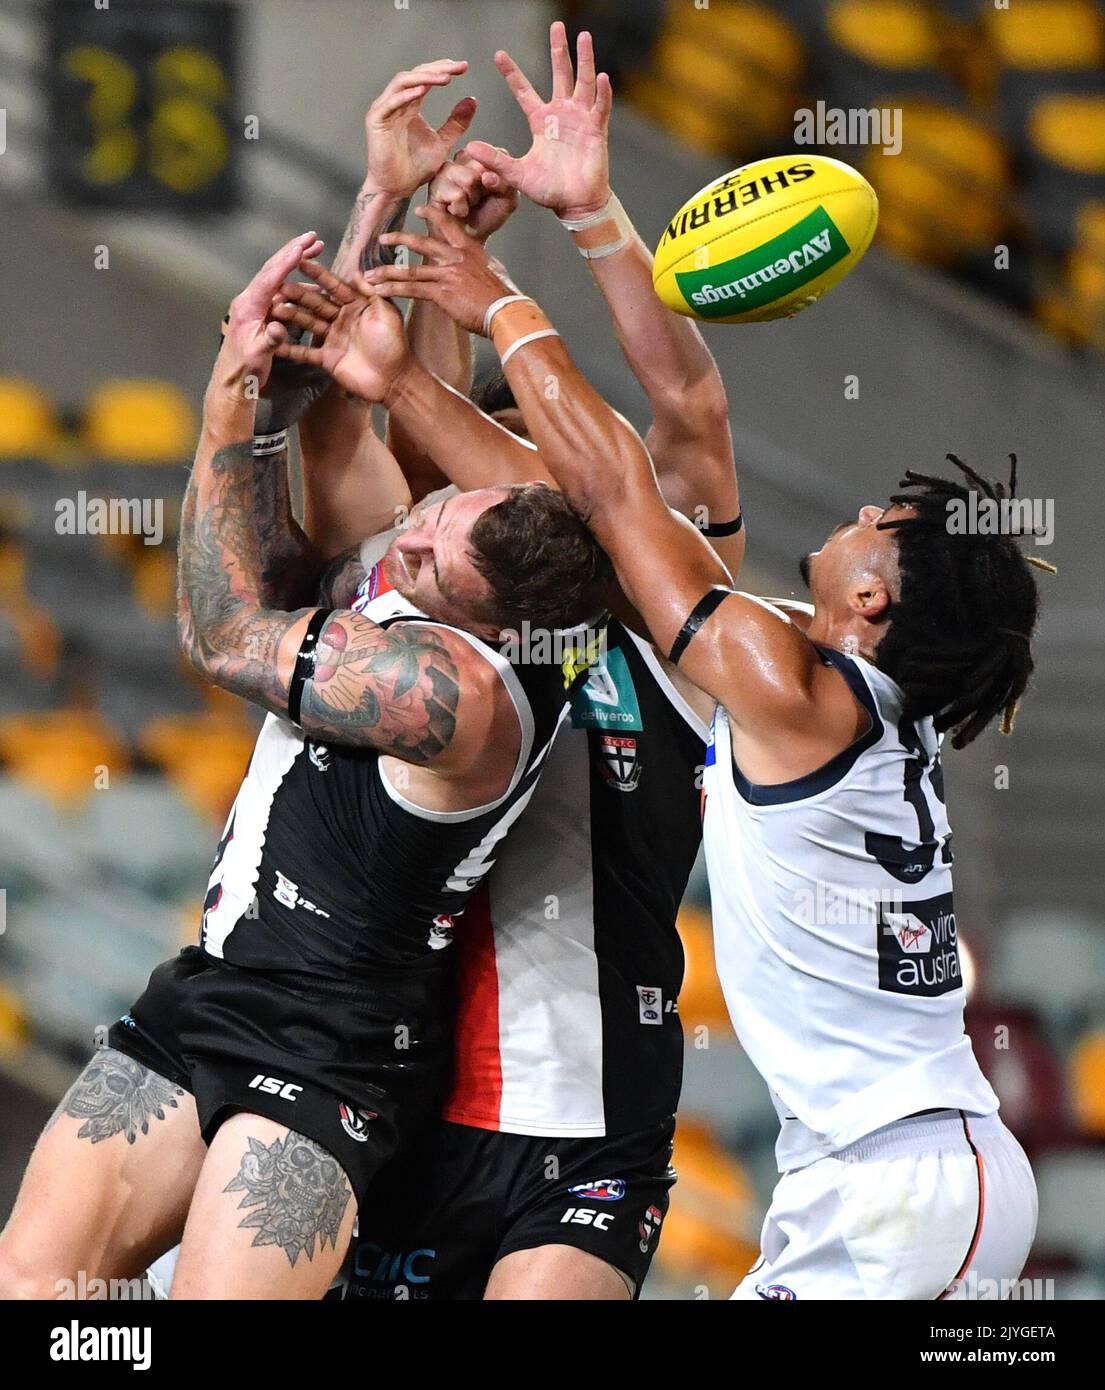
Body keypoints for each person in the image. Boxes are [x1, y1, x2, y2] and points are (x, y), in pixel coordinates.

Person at [363, 28, 1046, 1298]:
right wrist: (593, 218)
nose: (857, 510)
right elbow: (676, 432)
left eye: (878, 524)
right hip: (887, 1176)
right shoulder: (801, 679)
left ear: (867, 596)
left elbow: (623, 490)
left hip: (897, 1183)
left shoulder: (780, 683)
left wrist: (499, 306)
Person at [0, 228, 609, 1302]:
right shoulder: (449, 582)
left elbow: (223, 632)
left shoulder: (452, 696)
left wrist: (229, 399)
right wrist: (385, 196)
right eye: (440, 513)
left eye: (428, 553)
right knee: (38, 1285)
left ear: (494, 622)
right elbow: (343, 428)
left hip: (330, 1054)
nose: (410, 533)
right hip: (212, 992)